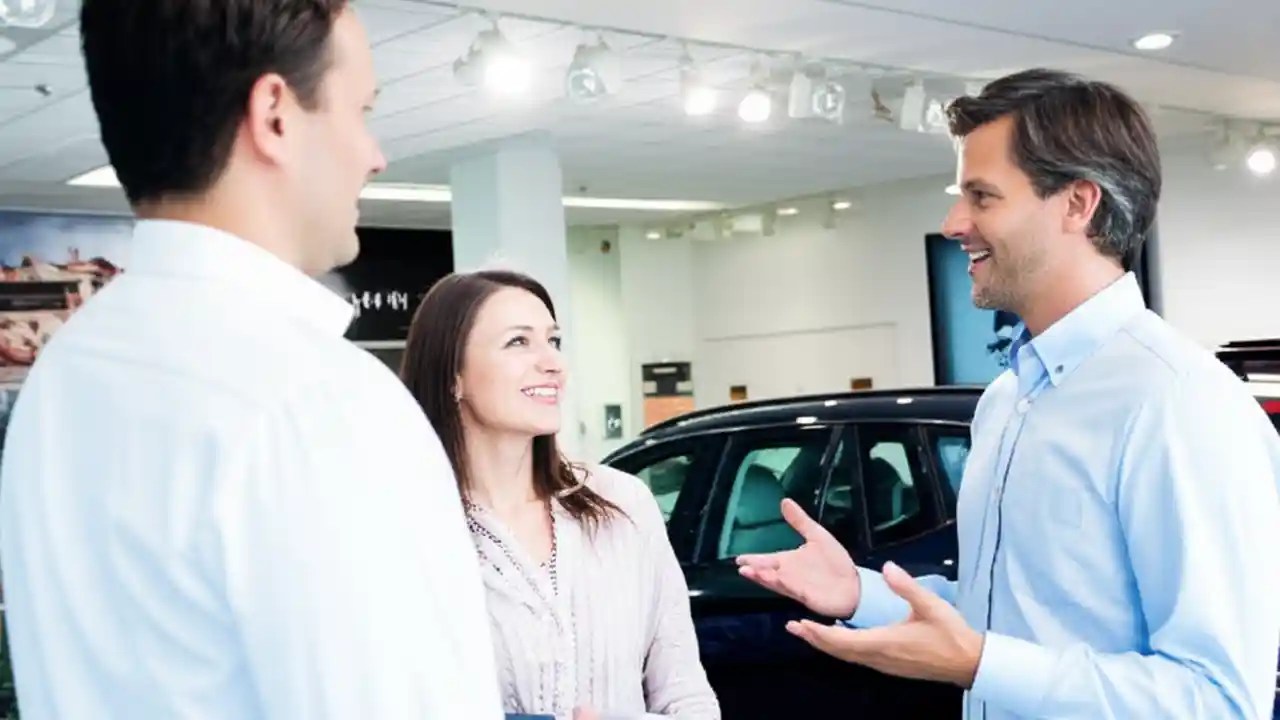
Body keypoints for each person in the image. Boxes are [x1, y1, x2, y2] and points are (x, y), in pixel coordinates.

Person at [0, 2, 502, 718]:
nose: (375, 153)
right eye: (360, 110)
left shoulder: (62, 374)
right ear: (276, 115)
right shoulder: (321, 401)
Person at [737, 68, 1280, 719]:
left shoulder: (1178, 404)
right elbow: (1010, 612)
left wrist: (980, 664)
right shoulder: (1006, 401)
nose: (953, 221)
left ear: (1079, 204)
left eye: (982, 196)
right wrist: (862, 593)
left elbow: (1217, 700)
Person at [399, 269, 720, 720]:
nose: (552, 363)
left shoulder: (623, 504)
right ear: (453, 376)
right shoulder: (405, 526)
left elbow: (689, 700)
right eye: (518, 342)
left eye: (554, 341)